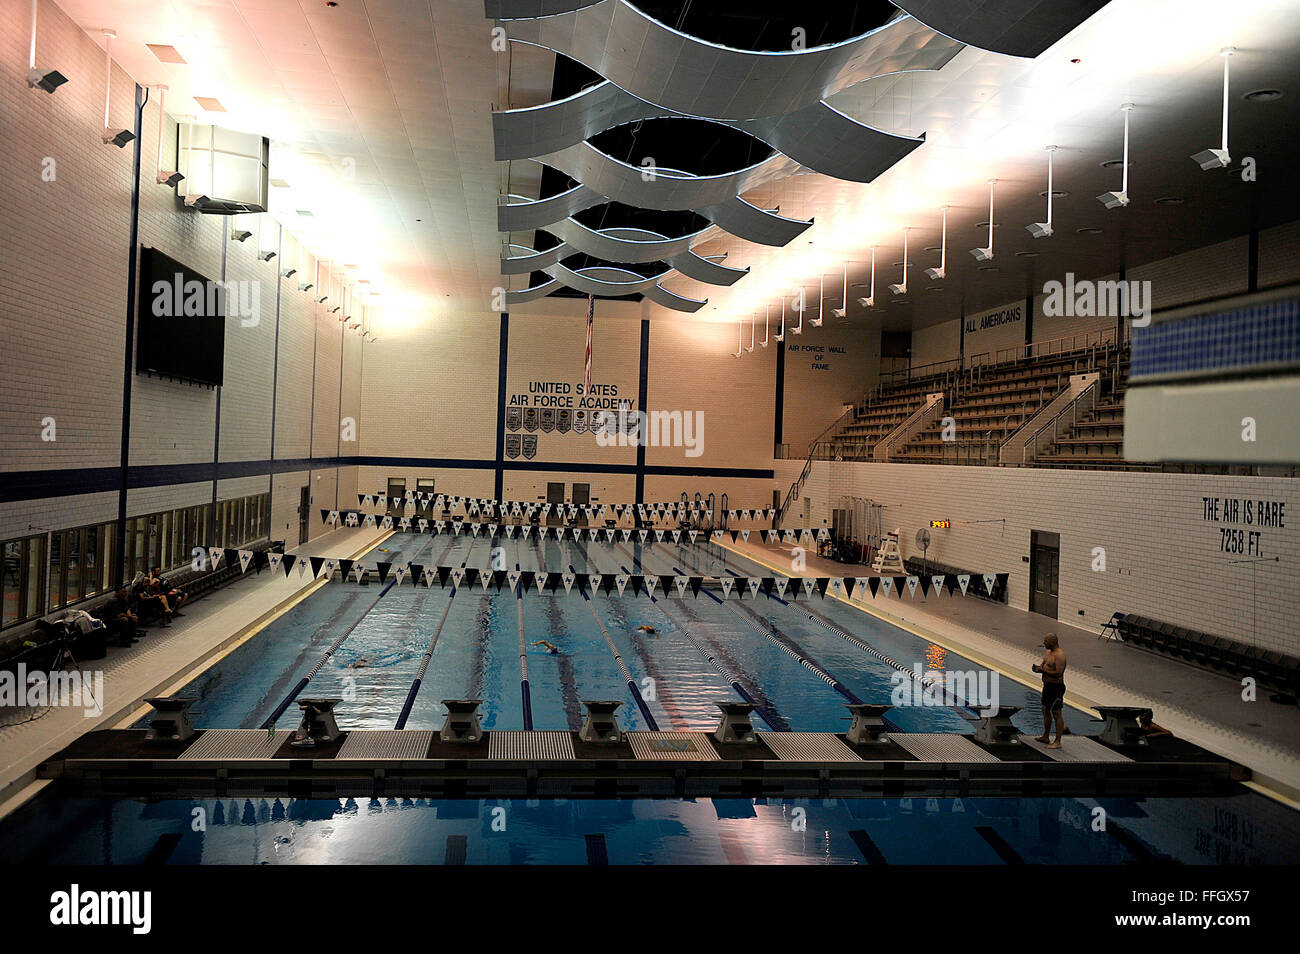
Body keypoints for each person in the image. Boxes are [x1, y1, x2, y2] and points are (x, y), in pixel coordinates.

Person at [1031, 632, 1067, 748]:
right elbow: (1043, 667)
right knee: (1045, 710)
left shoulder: (1060, 655)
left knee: (1056, 713)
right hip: (1047, 686)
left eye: (1046, 641)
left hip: (1056, 687)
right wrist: (1038, 669)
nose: (1044, 643)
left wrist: (1044, 671)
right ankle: (1046, 737)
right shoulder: (1048, 653)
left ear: (1052, 642)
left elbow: (1058, 673)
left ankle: (1058, 741)